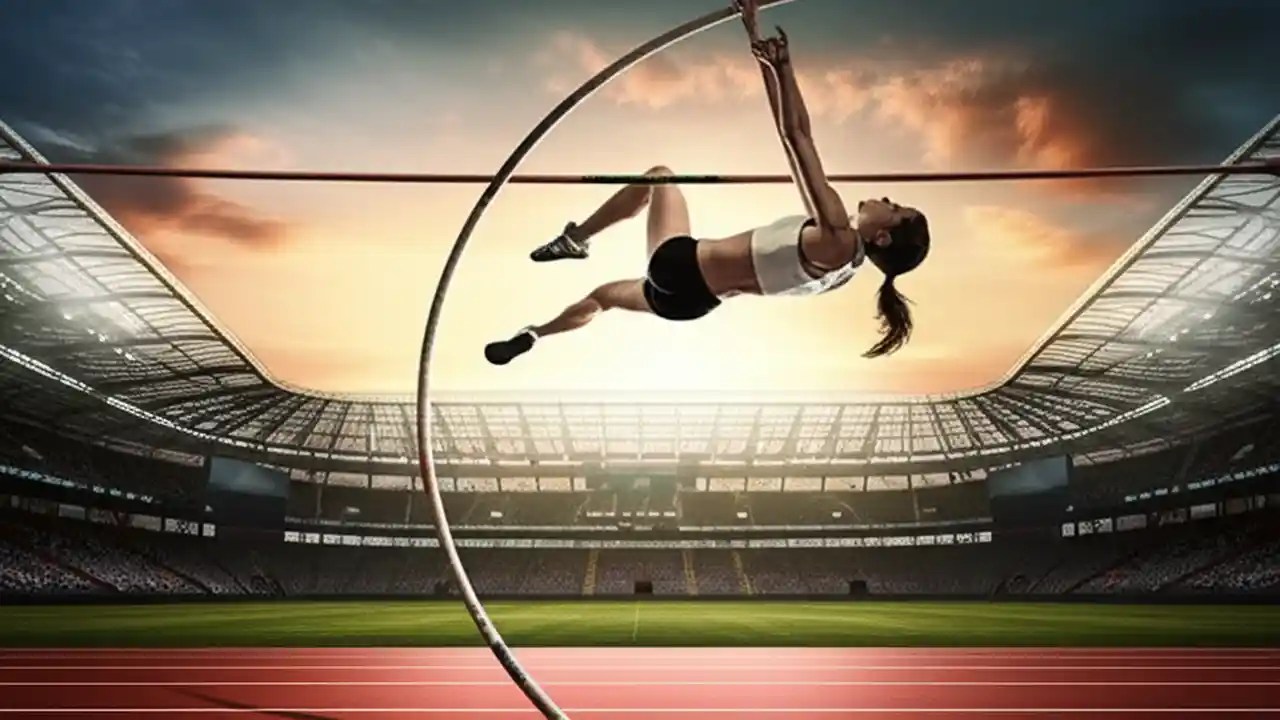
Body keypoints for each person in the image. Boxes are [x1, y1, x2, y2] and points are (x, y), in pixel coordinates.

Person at [484, 0, 930, 366]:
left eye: (895, 208)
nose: (888, 198)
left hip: (677, 264)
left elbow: (796, 138)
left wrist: (782, 66)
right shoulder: (844, 270)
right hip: (691, 304)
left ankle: (576, 240)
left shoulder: (837, 232)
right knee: (602, 298)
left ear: (884, 234)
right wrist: (763, 55)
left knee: (660, 177)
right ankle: (534, 334)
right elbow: (792, 135)